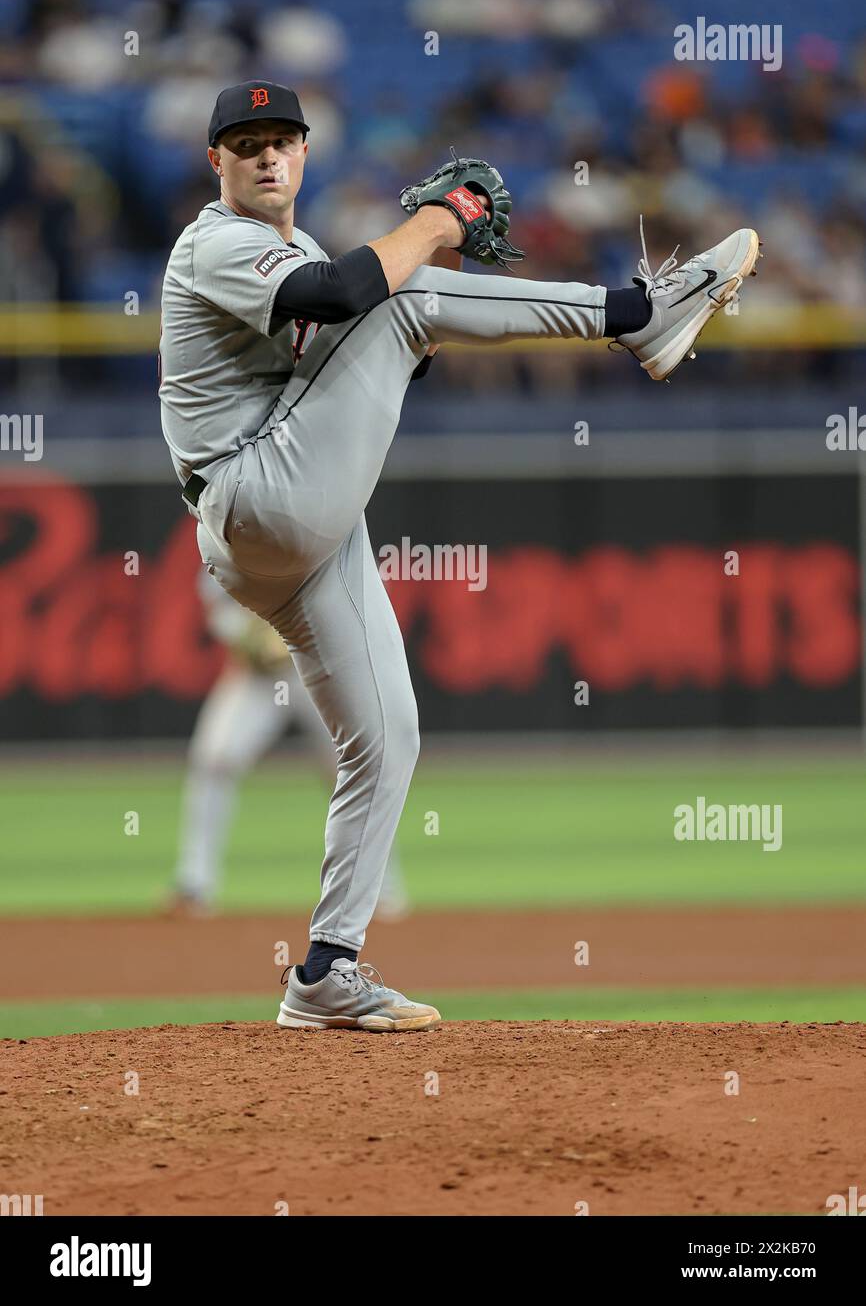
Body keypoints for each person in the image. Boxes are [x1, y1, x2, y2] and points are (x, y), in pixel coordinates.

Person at [158, 79, 759, 1032]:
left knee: (389, 734)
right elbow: (347, 294)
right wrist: (437, 224)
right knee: (402, 296)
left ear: (306, 153)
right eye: (246, 144)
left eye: (283, 140)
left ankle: (325, 972)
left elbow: (391, 338)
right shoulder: (216, 242)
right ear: (216, 162)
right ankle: (639, 313)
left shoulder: (302, 244)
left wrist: (422, 283)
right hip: (256, 495)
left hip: (304, 528)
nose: (267, 157)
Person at [164, 570, 411, 922]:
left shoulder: (325, 521)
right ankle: (195, 884)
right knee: (215, 760)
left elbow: (356, 592)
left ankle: (383, 890)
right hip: (259, 677)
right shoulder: (224, 528)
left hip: (323, 666)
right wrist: (245, 636)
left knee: (356, 769)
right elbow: (217, 603)